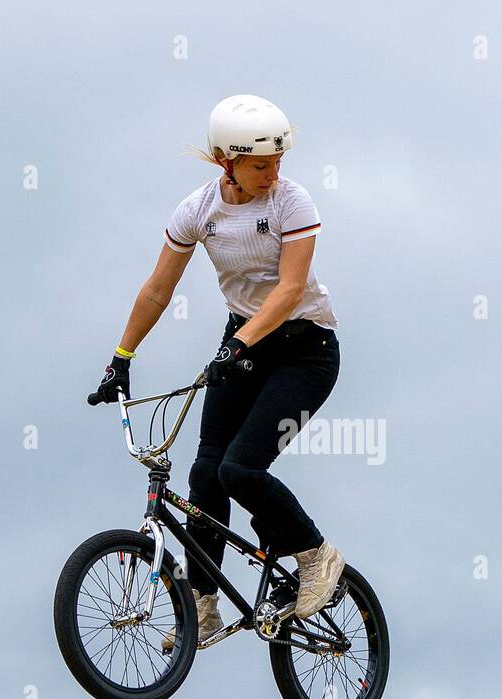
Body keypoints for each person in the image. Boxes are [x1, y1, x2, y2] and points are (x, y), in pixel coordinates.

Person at [90, 94, 345, 649]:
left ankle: (317, 557)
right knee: (205, 474)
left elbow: (290, 288)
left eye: (278, 161)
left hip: (306, 351)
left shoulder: (291, 203)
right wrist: (121, 357)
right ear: (225, 162)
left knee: (241, 470)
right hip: (245, 346)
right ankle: (202, 604)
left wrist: (241, 344)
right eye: (260, 165)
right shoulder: (198, 210)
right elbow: (159, 289)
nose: (273, 174)